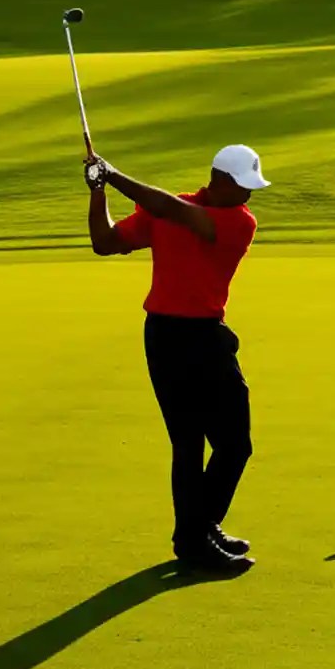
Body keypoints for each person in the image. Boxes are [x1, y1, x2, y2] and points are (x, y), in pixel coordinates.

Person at [83, 145, 270, 574]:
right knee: (188, 444)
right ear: (219, 180)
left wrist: (112, 174)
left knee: (234, 445)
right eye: (243, 185)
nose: (249, 194)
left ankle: (198, 529)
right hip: (168, 337)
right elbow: (104, 242)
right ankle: (195, 539)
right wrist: (98, 190)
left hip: (205, 338)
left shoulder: (240, 222)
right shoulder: (168, 209)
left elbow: (173, 210)